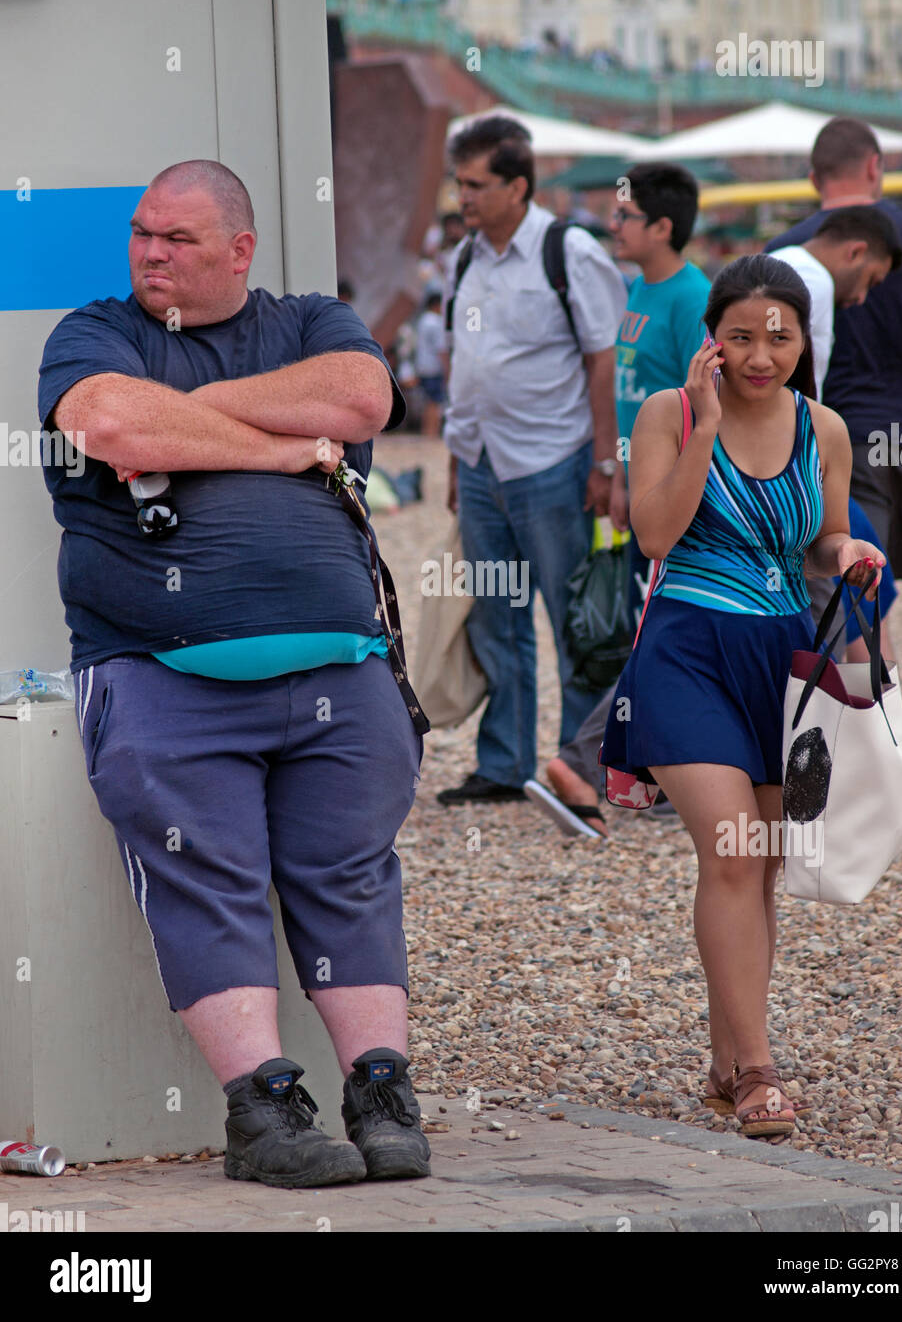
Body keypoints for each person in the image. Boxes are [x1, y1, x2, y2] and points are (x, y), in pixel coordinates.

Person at [37, 159, 431, 1188]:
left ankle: (379, 1085)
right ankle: (262, 1110)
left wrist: (203, 412)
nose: (150, 253)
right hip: (159, 672)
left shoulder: (311, 319)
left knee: (347, 876)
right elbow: (114, 424)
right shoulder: (95, 333)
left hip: (342, 672)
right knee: (203, 879)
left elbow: (360, 396)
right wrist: (280, 447)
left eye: (178, 238)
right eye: (142, 234)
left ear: (240, 250)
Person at [601, 254, 886, 1137]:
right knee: (731, 852)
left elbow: (823, 537)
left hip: (783, 657)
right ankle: (761, 1071)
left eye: (780, 337)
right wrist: (704, 427)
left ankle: (727, 1061)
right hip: (684, 649)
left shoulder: (824, 429)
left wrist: (845, 554)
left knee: (758, 863)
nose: (761, 354)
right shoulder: (670, 412)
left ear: (804, 341)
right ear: (710, 342)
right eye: (740, 336)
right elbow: (651, 532)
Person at [437, 115, 629, 805]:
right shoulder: (466, 257)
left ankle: (581, 767)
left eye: (476, 184)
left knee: (575, 620)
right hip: (485, 465)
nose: (463, 197)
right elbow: (464, 361)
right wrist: (459, 464)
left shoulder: (567, 251)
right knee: (497, 618)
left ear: (518, 186)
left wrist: (605, 465)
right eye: (459, 183)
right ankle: (506, 766)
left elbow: (602, 360)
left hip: (554, 461)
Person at [529, 163, 711, 838]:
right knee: (661, 640)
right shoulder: (638, 291)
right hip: (644, 494)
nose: (612, 225)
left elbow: (702, 412)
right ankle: (595, 761)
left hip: (674, 501)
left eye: (624, 216)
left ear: (662, 227)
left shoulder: (693, 300)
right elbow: (629, 397)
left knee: (665, 638)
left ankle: (614, 767)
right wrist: (617, 475)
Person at [765, 116, 902, 702]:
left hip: (849, 443)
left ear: (815, 177)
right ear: (876, 167)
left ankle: (883, 749)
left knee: (865, 594)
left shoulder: (785, 250)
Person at [769, 205, 902, 663]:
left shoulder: (782, 262)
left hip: (777, 465)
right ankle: (859, 711)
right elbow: (796, 392)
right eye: (870, 280)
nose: (864, 298)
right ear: (855, 251)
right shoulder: (814, 283)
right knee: (848, 586)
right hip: (791, 471)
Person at [415, 289, 448, 438]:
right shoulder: (435, 323)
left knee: (428, 401)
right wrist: (448, 369)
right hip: (433, 367)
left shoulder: (422, 320)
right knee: (435, 402)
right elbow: (441, 349)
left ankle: (426, 430)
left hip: (422, 365)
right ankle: (431, 432)